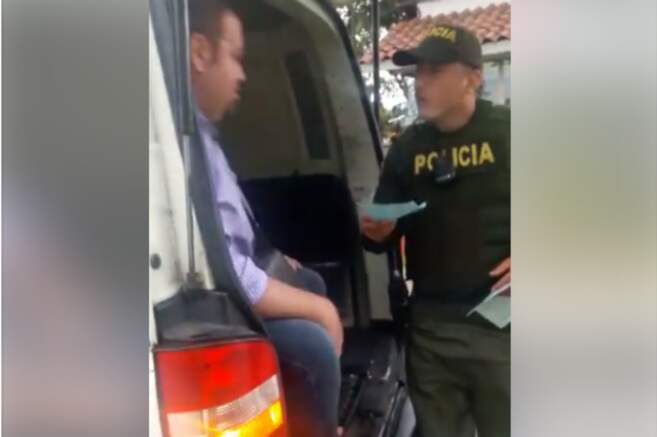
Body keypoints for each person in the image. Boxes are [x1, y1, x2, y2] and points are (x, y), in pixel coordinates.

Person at [187, 1, 342, 435]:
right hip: (216, 304)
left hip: (234, 281)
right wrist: (322, 311)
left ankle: (308, 413)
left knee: (309, 280)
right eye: (236, 58)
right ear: (200, 53)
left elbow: (233, 235)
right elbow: (228, 271)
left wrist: (273, 259)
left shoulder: (204, 136)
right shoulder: (184, 147)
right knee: (314, 342)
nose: (242, 75)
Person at [361, 24, 511, 437]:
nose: (420, 83)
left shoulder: (509, 132)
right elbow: (382, 233)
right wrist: (376, 232)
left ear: (472, 78)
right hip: (432, 329)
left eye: (435, 71)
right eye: (418, 73)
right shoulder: (407, 148)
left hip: (503, 326)